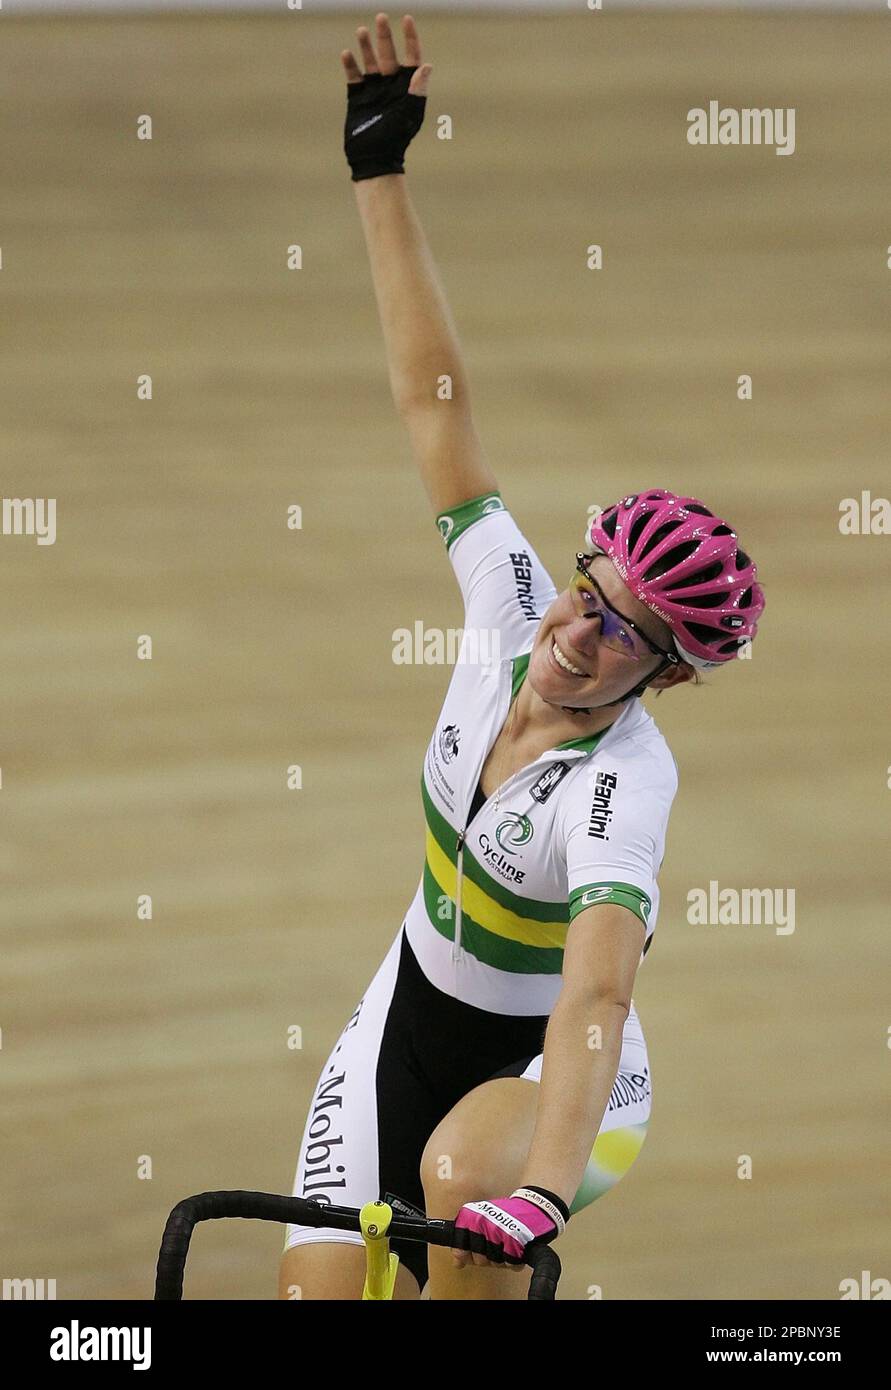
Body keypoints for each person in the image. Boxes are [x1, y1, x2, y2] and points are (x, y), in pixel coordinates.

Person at [278, 13, 764, 1302]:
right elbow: (434, 402)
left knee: (462, 1196)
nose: (574, 630)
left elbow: (596, 998)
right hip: (408, 1012)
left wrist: (545, 1189)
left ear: (668, 677)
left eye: (618, 633)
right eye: (584, 590)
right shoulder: (512, 606)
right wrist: (377, 174)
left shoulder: (626, 786)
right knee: (316, 1301)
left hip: (551, 1073)